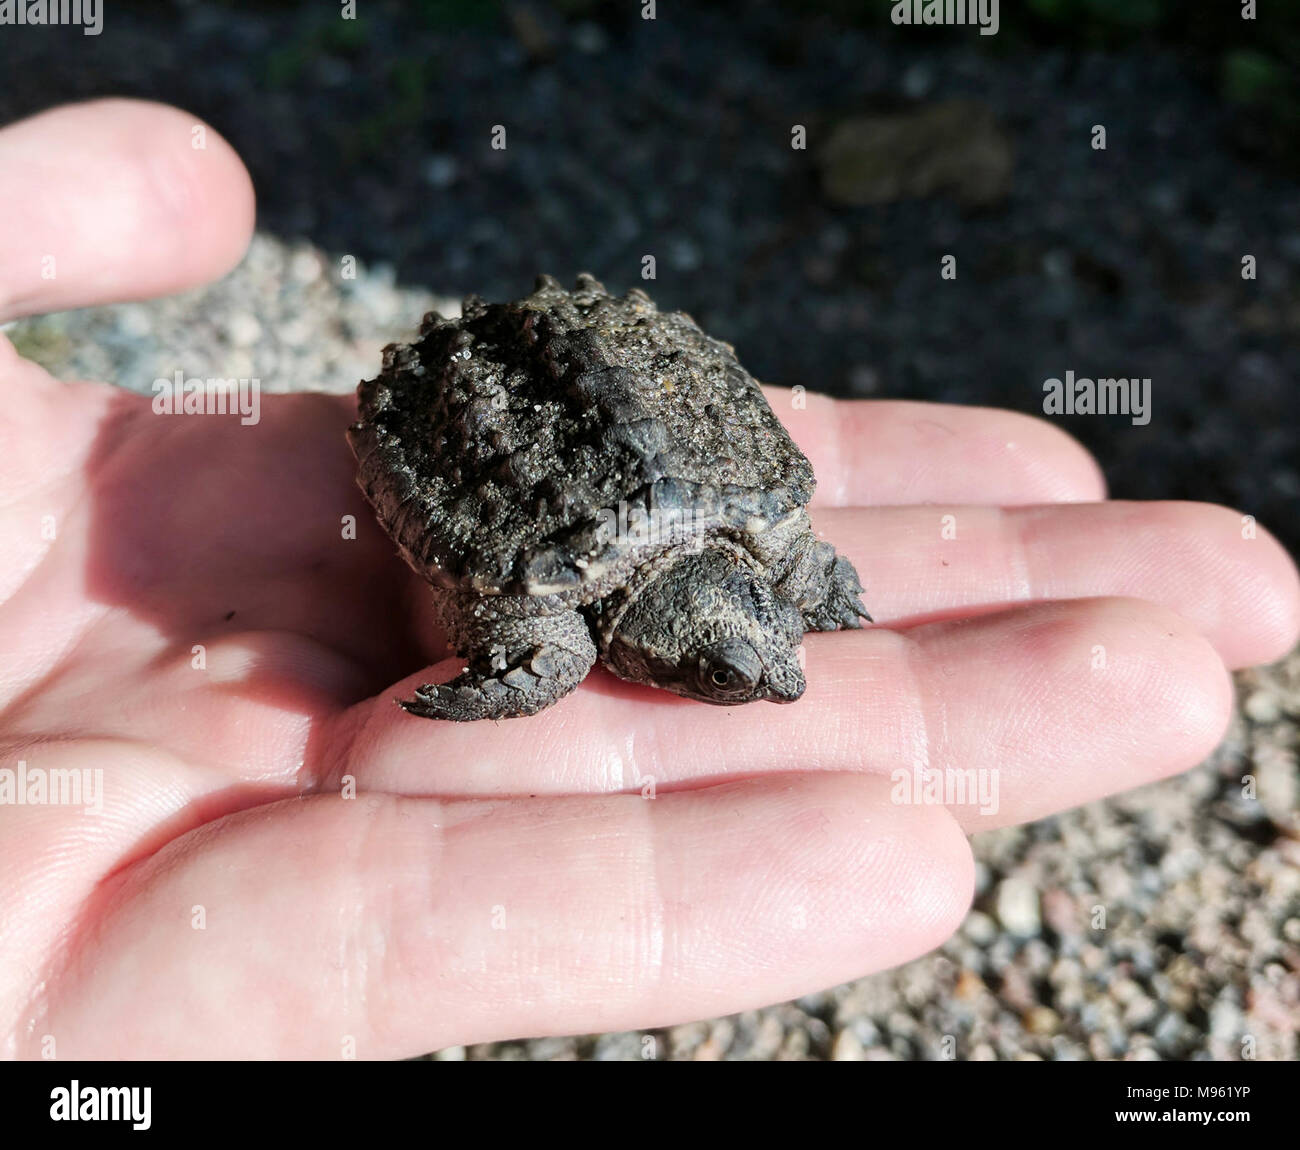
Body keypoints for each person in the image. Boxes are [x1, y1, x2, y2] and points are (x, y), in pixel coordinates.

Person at [0, 100, 1296, 1060]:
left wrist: (805, 595)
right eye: (738, 673)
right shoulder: (563, 618)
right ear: (662, 656)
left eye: (756, 658)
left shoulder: (772, 522)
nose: (776, 683)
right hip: (459, 391)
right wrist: (502, 682)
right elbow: (547, 651)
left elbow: (796, 580)